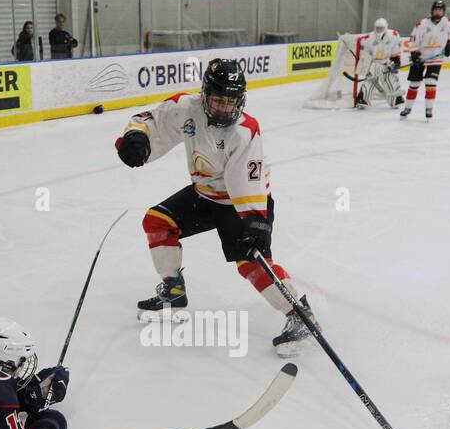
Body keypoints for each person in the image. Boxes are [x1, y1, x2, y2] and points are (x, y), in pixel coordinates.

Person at [115, 58, 320, 357]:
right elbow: (149, 120)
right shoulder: (186, 108)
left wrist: (255, 222)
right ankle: (174, 290)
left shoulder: (245, 131)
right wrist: (137, 138)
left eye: (231, 101)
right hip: (206, 194)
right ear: (205, 94)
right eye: (218, 100)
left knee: (251, 260)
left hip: (243, 202)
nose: (225, 108)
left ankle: (301, 316)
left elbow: (247, 181)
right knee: (157, 222)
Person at [400, 0, 450, 120]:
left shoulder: (449, 22)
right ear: (432, 11)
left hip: (436, 58)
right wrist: (414, 54)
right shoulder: (422, 24)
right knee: (414, 84)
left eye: (440, 10)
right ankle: (407, 108)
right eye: (436, 10)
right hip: (421, 58)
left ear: (444, 12)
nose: (438, 12)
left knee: (431, 83)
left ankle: (429, 109)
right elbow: (413, 41)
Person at [354, 17, 402, 109]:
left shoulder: (393, 35)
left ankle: (395, 99)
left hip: (387, 62)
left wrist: (396, 62)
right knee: (370, 80)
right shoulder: (369, 38)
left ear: (386, 27)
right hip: (374, 62)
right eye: (377, 28)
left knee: (389, 79)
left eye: (381, 28)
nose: (379, 30)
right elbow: (365, 55)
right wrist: (365, 67)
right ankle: (363, 99)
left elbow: (395, 51)